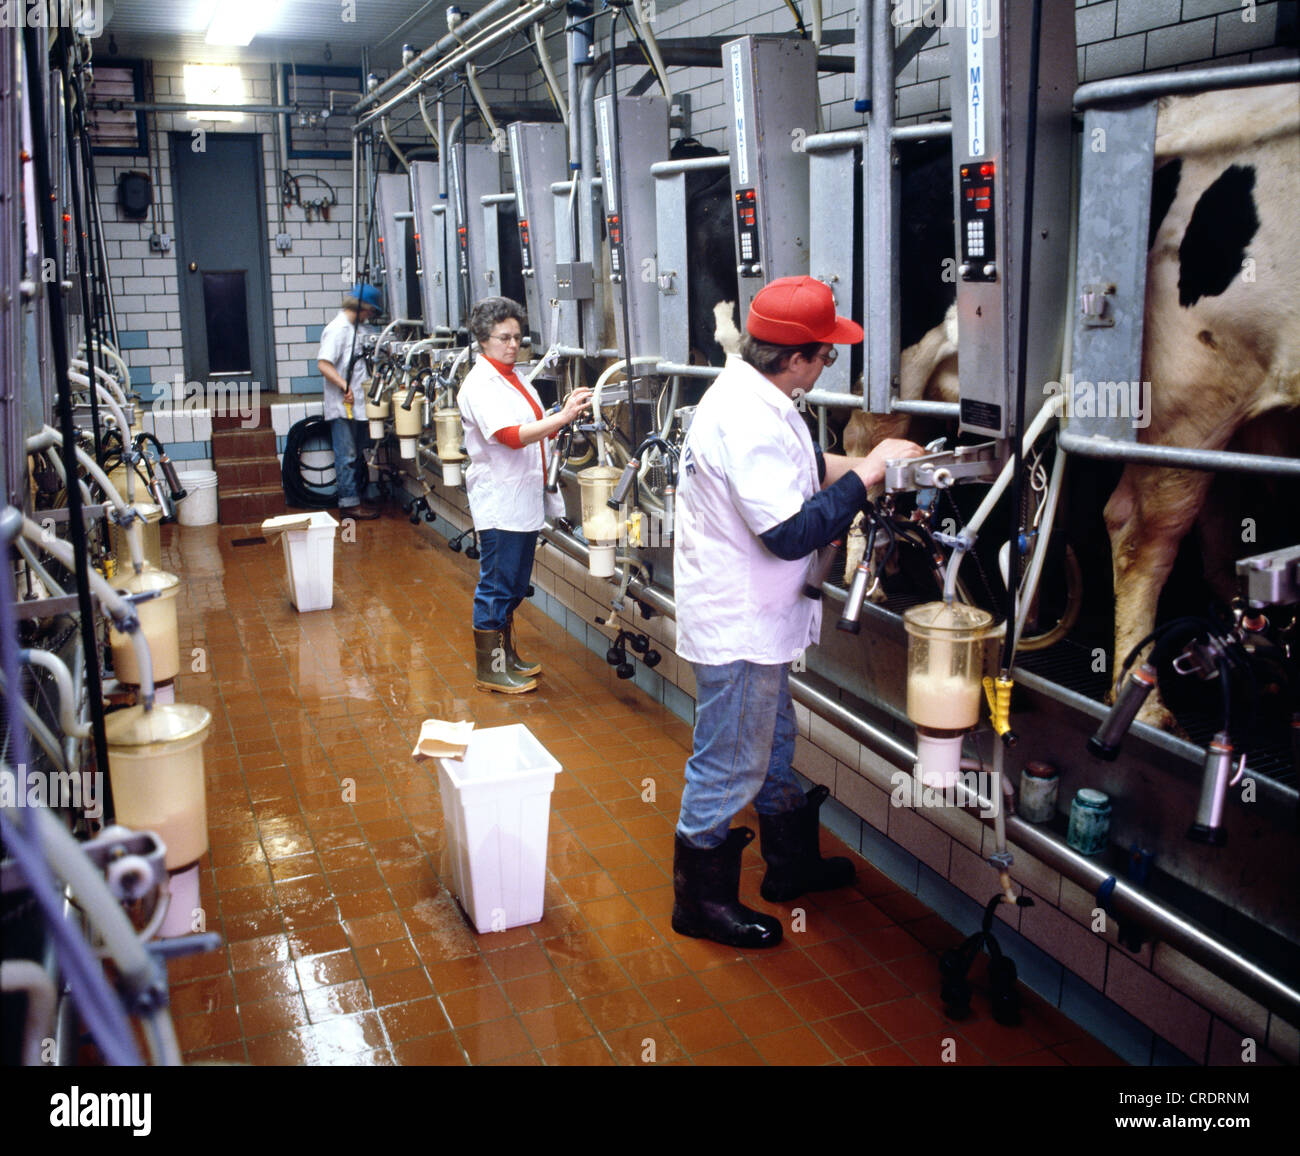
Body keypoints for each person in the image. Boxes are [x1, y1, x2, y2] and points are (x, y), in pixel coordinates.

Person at [672, 275, 926, 949]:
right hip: (741, 623)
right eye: (826, 355)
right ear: (795, 357)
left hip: (759, 617)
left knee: (772, 744)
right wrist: (869, 476)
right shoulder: (748, 416)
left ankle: (789, 865)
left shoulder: (757, 395)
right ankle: (700, 902)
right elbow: (786, 532)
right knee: (729, 761)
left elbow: (807, 465)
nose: (825, 366)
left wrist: (878, 464)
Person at [458, 296, 592, 693]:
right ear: (484, 340)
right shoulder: (480, 384)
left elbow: (534, 423)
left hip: (522, 497)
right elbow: (509, 436)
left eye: (518, 337)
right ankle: (492, 669)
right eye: (504, 338)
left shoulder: (515, 378)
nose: (513, 345)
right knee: (497, 586)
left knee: (515, 585)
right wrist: (562, 418)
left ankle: (507, 655)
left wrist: (560, 412)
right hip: (500, 500)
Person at [316, 283, 382, 520]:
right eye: (371, 311)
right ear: (363, 308)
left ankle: (357, 497)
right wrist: (344, 385)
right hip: (342, 405)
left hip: (357, 405)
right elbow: (324, 363)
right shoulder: (337, 329)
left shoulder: (357, 329)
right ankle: (349, 504)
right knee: (347, 457)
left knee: (355, 455)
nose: (370, 316)